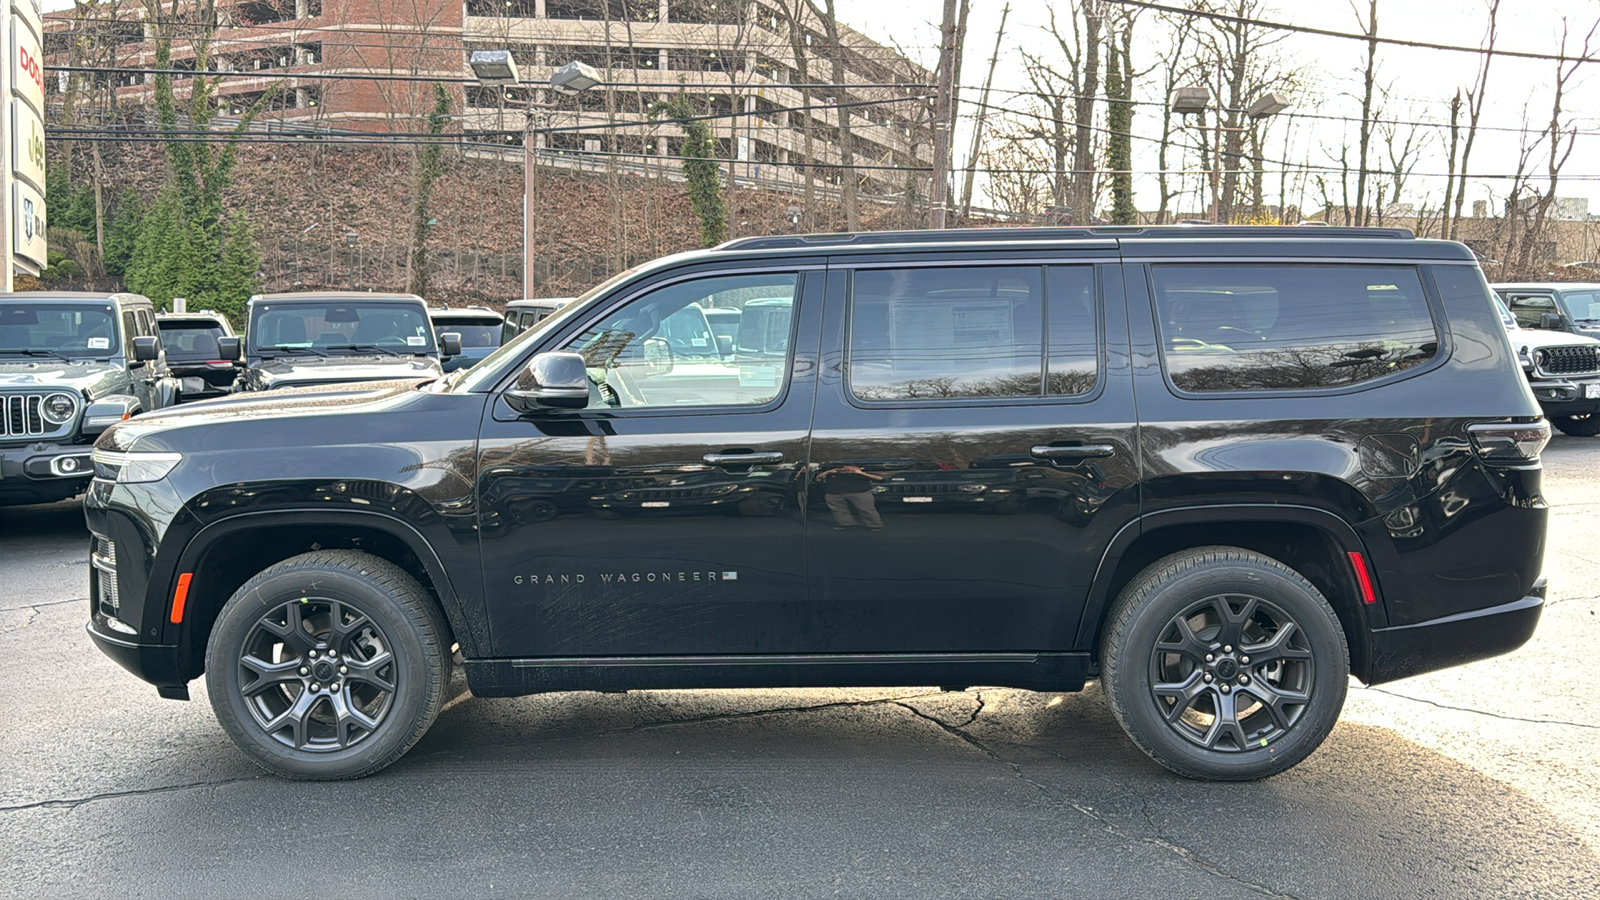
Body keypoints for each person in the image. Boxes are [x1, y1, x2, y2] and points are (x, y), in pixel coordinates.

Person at [818, 464, 884, 531]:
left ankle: (875, 525)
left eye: (849, 468)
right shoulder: (834, 473)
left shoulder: (863, 473)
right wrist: (827, 472)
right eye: (844, 467)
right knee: (838, 510)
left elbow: (880, 478)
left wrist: (861, 473)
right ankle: (846, 523)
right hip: (835, 493)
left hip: (859, 493)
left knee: (866, 509)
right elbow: (819, 477)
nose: (846, 469)